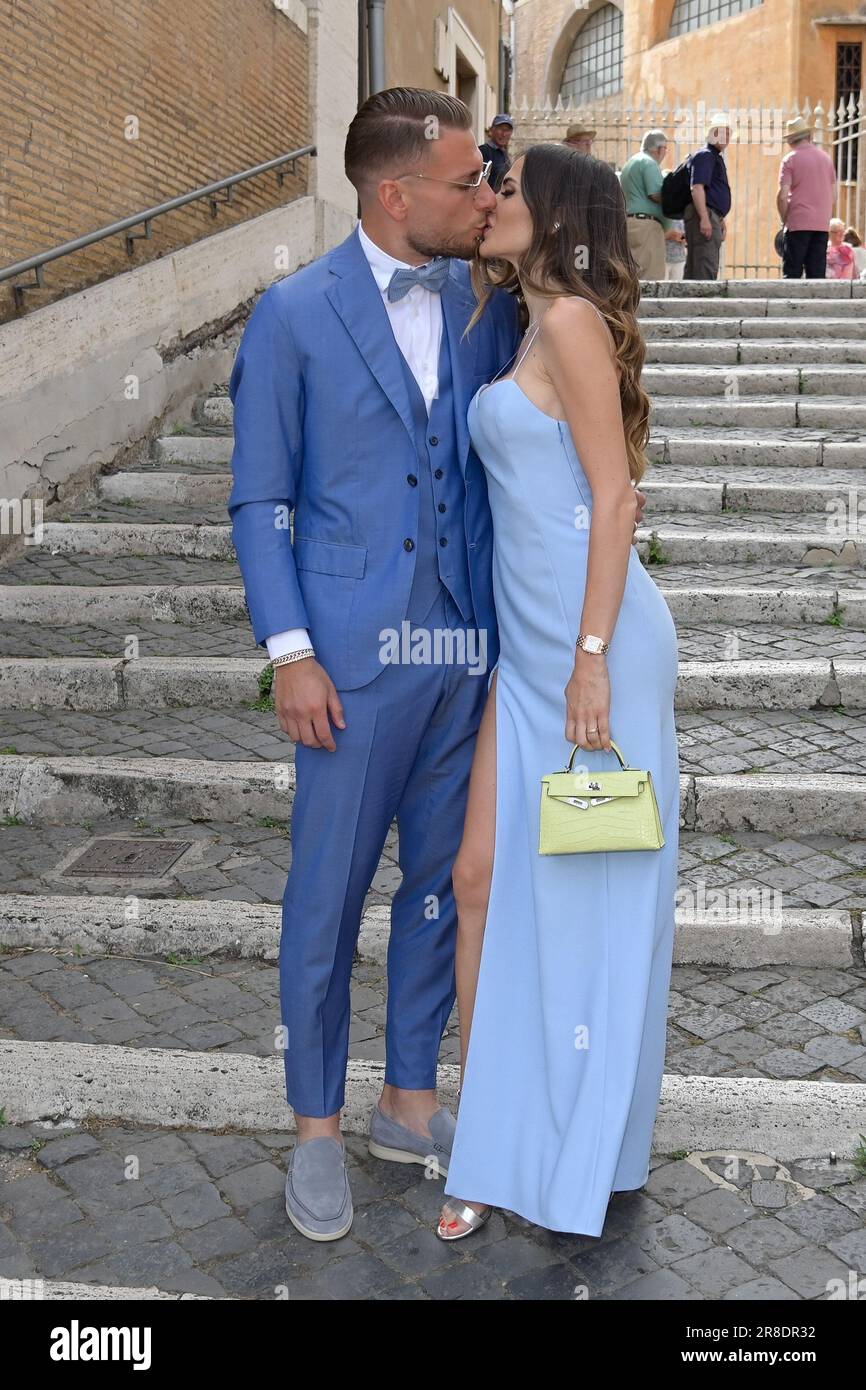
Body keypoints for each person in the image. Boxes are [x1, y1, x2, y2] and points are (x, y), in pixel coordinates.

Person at [227, 87, 649, 1243]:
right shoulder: (291, 315)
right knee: (324, 896)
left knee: (437, 887)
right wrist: (291, 651)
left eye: (491, 181)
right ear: (392, 191)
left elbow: (566, 450)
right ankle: (315, 1124)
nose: (485, 194)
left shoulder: (490, 307)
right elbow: (260, 498)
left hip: (473, 652)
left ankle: (408, 1099)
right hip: (349, 665)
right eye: (469, 180)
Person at [436, 144, 680, 1239]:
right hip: (524, 656)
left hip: (594, 653)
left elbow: (614, 499)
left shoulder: (572, 323)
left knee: (587, 904)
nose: (486, 201)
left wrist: (588, 656)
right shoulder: (528, 321)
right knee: (476, 876)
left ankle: (568, 1145)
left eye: (504, 189)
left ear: (551, 213)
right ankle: (493, 1140)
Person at [619, 130, 685, 279]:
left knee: (635, 273)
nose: (665, 153)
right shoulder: (649, 163)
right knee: (650, 277)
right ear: (660, 149)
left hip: (631, 222)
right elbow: (656, 194)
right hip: (646, 227)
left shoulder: (631, 162)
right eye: (665, 149)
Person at [776, 115, 836, 278]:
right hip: (821, 223)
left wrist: (785, 219)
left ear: (790, 141)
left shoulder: (790, 160)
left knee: (792, 272)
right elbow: (834, 194)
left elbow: (782, 196)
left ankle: (791, 304)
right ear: (809, 137)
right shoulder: (827, 159)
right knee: (817, 273)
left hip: (798, 222)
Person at [683, 116, 731, 280]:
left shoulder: (713, 156)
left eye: (728, 134)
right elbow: (697, 188)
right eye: (723, 133)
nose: (727, 138)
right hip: (704, 215)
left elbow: (710, 191)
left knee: (700, 267)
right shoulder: (706, 155)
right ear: (713, 134)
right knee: (705, 269)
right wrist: (705, 218)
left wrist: (719, 218)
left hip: (710, 214)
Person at [479, 113, 513, 193]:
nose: (504, 134)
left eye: (507, 130)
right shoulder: (484, 151)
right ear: (492, 130)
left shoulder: (504, 153)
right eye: (501, 129)